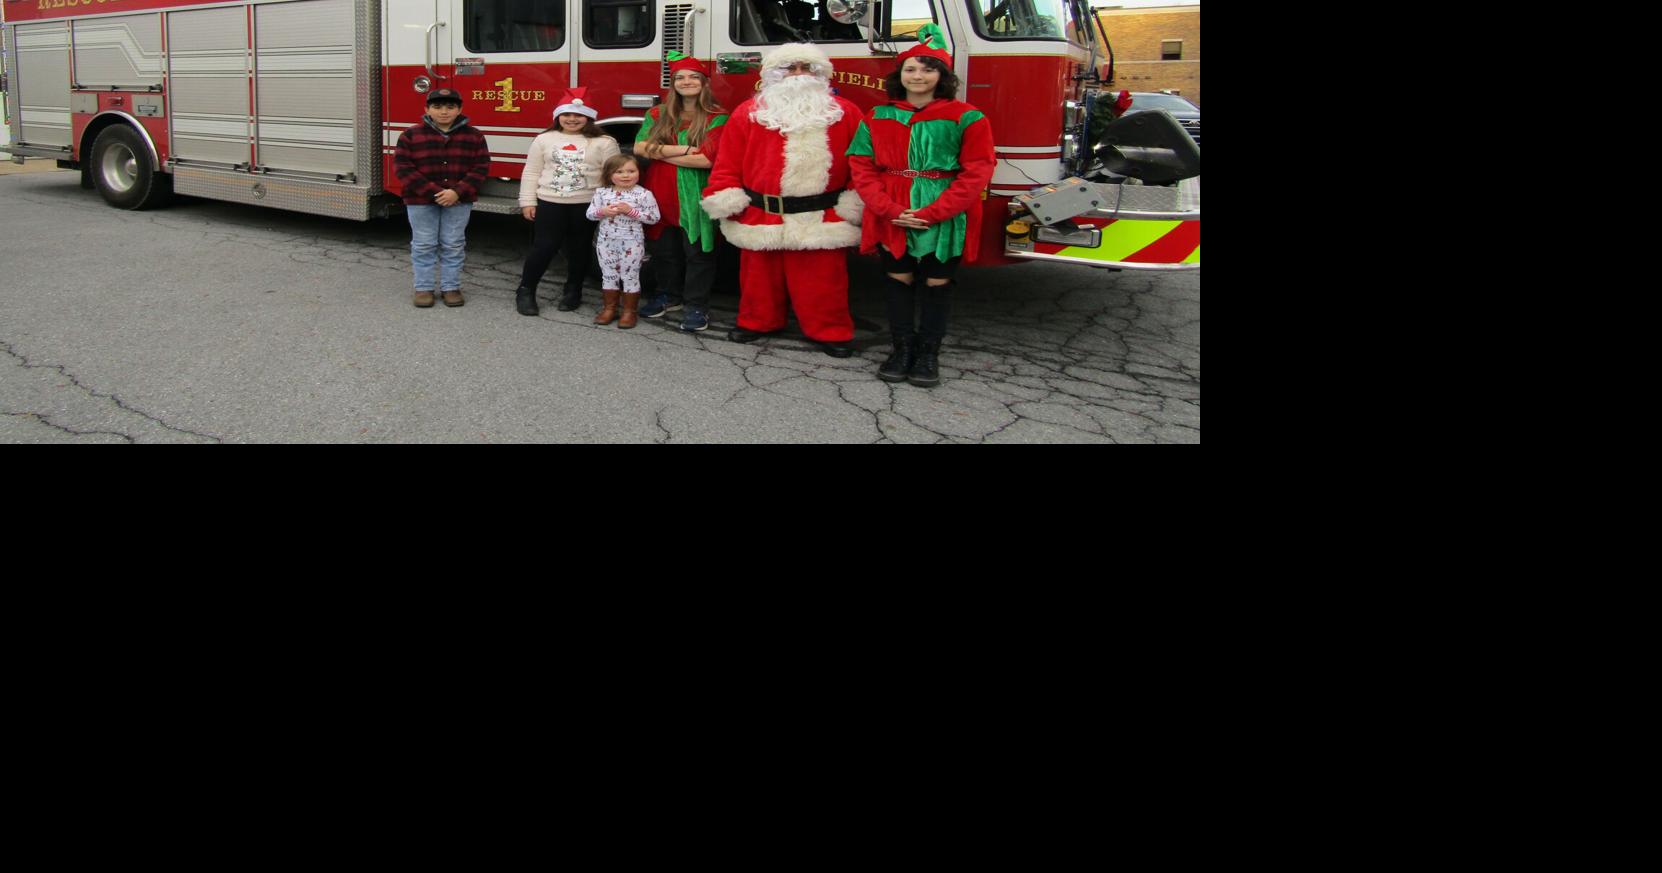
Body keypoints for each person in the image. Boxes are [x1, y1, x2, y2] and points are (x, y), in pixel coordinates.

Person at [846, 24, 994, 387]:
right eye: (911, 68)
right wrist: (889, 209)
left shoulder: (967, 117)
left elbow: (977, 171)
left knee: (937, 281)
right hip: (892, 208)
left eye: (928, 68)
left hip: (943, 212)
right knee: (899, 278)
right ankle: (901, 348)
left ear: (942, 75)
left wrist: (932, 212)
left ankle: (928, 353)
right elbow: (861, 167)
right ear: (900, 74)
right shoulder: (877, 117)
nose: (918, 76)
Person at [700, 43, 866, 358]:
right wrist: (724, 193)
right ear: (773, 75)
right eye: (790, 68)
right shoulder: (748, 112)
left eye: (806, 68)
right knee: (758, 279)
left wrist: (855, 199)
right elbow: (728, 161)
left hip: (822, 214)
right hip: (763, 212)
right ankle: (757, 322)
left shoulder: (845, 112)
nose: (798, 75)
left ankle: (829, 330)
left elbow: (860, 161)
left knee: (823, 281)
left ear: (821, 74)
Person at [634, 51, 729, 332]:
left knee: (698, 253)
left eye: (693, 77)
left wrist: (660, 153)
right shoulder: (657, 114)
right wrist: (685, 149)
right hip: (660, 192)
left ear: (704, 82)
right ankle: (669, 295)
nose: (687, 82)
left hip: (696, 195)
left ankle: (697, 304)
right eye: (680, 77)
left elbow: (707, 160)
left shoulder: (717, 117)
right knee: (665, 251)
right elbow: (639, 148)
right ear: (673, 83)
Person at [513, 88, 622, 316]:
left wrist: (610, 205)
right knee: (544, 247)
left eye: (579, 115)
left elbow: (612, 175)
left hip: (586, 204)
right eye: (567, 114)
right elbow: (532, 172)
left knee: (579, 248)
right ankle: (526, 290)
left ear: (589, 117)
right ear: (558, 116)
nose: (572, 119)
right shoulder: (544, 139)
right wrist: (527, 201)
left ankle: (574, 290)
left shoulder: (604, 142)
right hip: (550, 202)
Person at [394, 88, 491, 308]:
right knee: (424, 244)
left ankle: (451, 287)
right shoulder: (410, 135)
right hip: (420, 201)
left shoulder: (474, 136)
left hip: (459, 200)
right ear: (426, 109)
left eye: (450, 107)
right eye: (437, 107)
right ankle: (423, 288)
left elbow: (481, 167)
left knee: (454, 244)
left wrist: (457, 191)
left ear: (460, 109)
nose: (444, 112)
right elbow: (403, 168)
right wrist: (435, 193)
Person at [585, 155, 661, 328]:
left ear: (638, 173)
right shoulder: (602, 193)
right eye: (619, 172)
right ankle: (609, 309)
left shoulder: (643, 194)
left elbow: (654, 218)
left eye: (631, 171)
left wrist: (631, 212)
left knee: (630, 276)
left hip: (632, 244)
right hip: (606, 243)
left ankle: (629, 312)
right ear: (609, 174)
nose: (626, 175)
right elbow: (589, 214)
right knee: (609, 275)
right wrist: (602, 211)